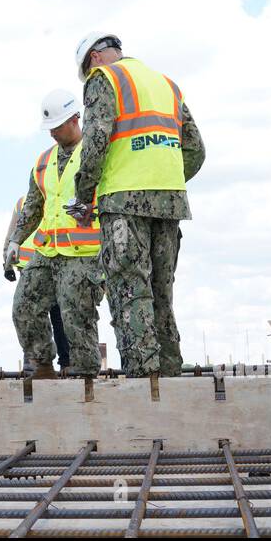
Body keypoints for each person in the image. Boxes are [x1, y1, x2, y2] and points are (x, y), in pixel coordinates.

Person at [69, 34, 205, 378]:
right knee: (161, 292)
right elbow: (195, 148)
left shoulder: (105, 79)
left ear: (96, 58)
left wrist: (85, 195)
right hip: (170, 202)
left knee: (130, 290)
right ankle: (170, 374)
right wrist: (166, 179)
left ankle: (145, 383)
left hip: (124, 202)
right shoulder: (166, 85)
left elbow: (96, 140)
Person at [5, 90, 103, 377]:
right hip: (47, 251)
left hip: (83, 254)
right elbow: (33, 207)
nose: (53, 134)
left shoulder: (95, 153)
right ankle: (42, 365)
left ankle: (85, 374)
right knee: (24, 306)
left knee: (76, 315)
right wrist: (14, 240)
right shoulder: (43, 161)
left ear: (75, 119)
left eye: (58, 127)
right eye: (49, 129)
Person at [2, 195, 70, 374]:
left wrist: (6, 263)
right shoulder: (27, 201)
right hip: (40, 263)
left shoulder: (25, 201)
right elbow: (12, 234)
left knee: (44, 313)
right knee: (51, 315)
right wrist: (7, 262)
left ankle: (42, 360)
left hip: (45, 261)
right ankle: (53, 361)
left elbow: (11, 234)